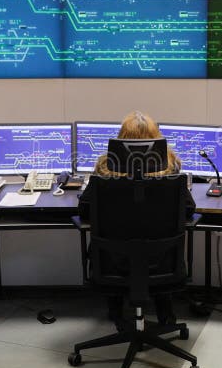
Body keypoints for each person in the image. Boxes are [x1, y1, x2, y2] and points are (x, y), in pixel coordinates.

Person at [78, 111, 196, 328]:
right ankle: (166, 315)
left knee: (106, 243)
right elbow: (188, 210)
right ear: (157, 139)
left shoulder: (104, 171)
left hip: (113, 265)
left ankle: (117, 315)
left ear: (120, 140)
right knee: (161, 243)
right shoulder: (171, 170)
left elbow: (84, 210)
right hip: (163, 265)